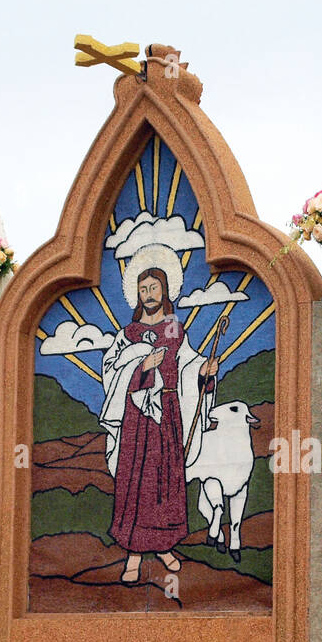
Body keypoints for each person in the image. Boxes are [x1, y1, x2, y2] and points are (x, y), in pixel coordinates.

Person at [98, 248, 218, 584]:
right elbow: (110, 370)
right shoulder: (128, 334)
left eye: (153, 288)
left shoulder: (175, 329)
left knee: (166, 481)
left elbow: (189, 363)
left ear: (165, 290)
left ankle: (164, 547)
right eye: (142, 289)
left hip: (167, 411)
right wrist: (140, 366)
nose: (148, 294)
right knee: (136, 481)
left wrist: (204, 372)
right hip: (137, 417)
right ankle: (134, 555)